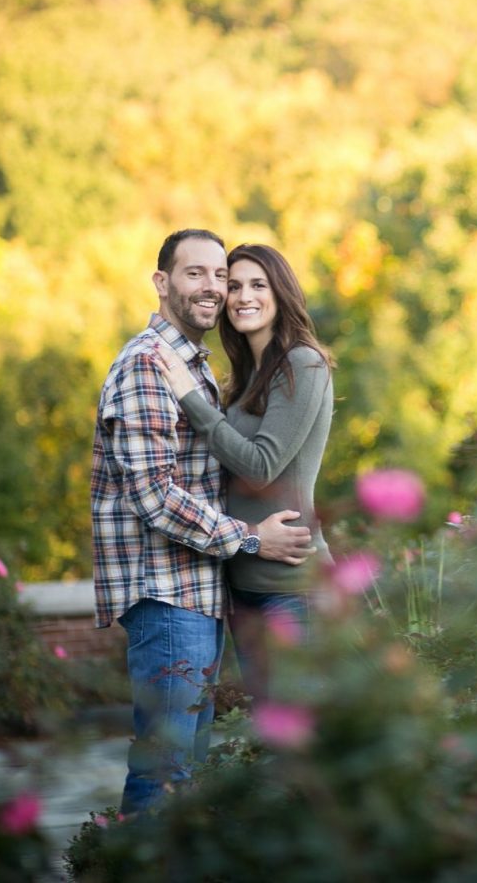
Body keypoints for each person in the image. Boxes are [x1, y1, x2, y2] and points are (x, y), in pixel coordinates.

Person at [91, 228, 315, 816]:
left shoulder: (197, 369)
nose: (214, 288)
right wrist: (249, 539)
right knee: (166, 767)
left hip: (197, 592)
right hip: (167, 594)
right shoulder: (147, 365)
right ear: (162, 283)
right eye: (198, 274)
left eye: (222, 275)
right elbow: (154, 495)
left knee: (181, 767)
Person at [151, 243, 335, 703]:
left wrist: (187, 394)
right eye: (233, 286)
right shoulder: (246, 376)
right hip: (245, 588)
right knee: (273, 737)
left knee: (303, 741)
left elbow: (260, 465)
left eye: (258, 285)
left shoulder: (302, 363)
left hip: (293, 589)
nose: (242, 296)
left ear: (281, 293)